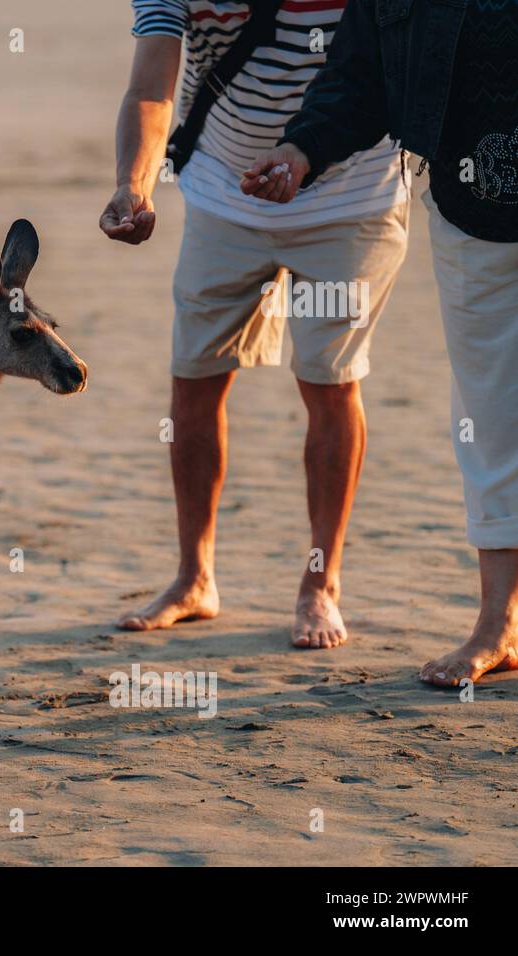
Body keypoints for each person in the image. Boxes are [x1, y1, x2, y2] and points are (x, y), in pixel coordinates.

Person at [102, 1, 409, 647]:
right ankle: (194, 578)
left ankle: (320, 585)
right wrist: (134, 184)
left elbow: (384, 76)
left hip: (349, 198)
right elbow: (151, 86)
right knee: (195, 377)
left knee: (328, 385)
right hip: (222, 192)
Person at [243, 0, 518, 686]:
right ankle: (499, 624)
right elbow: (357, 77)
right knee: (489, 416)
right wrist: (302, 148)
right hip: (471, 207)